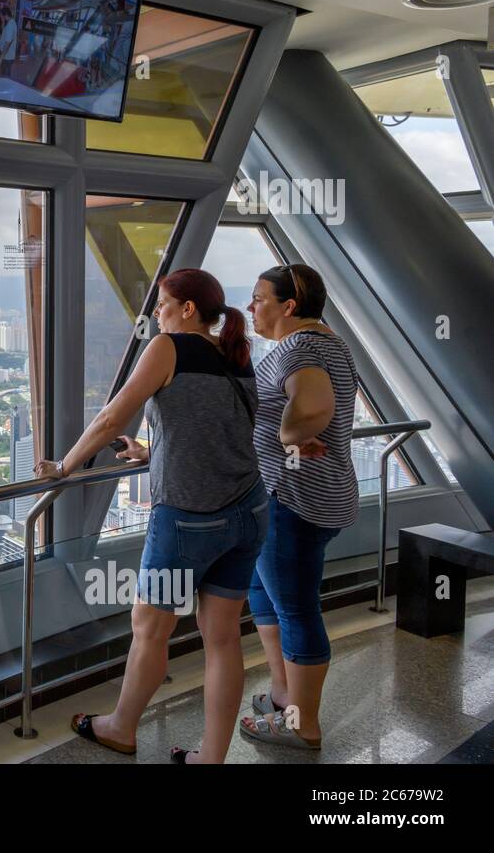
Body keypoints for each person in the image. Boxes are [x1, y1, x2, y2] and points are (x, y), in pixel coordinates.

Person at [38, 268, 267, 763]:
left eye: (162, 306)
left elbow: (109, 418)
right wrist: (152, 451)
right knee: (223, 640)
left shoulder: (168, 348)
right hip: (249, 511)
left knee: (150, 629)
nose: (155, 316)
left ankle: (121, 728)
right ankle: (211, 758)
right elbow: (216, 429)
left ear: (186, 309)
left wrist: (63, 466)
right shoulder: (236, 353)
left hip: (187, 521)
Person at [239, 264, 359, 751]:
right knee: (262, 594)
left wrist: (292, 432)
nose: (251, 307)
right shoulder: (327, 342)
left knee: (295, 609)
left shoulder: (301, 346)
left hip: (295, 499)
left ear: (289, 307)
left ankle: (301, 724)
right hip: (305, 493)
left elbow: (310, 406)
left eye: (259, 298)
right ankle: (285, 695)